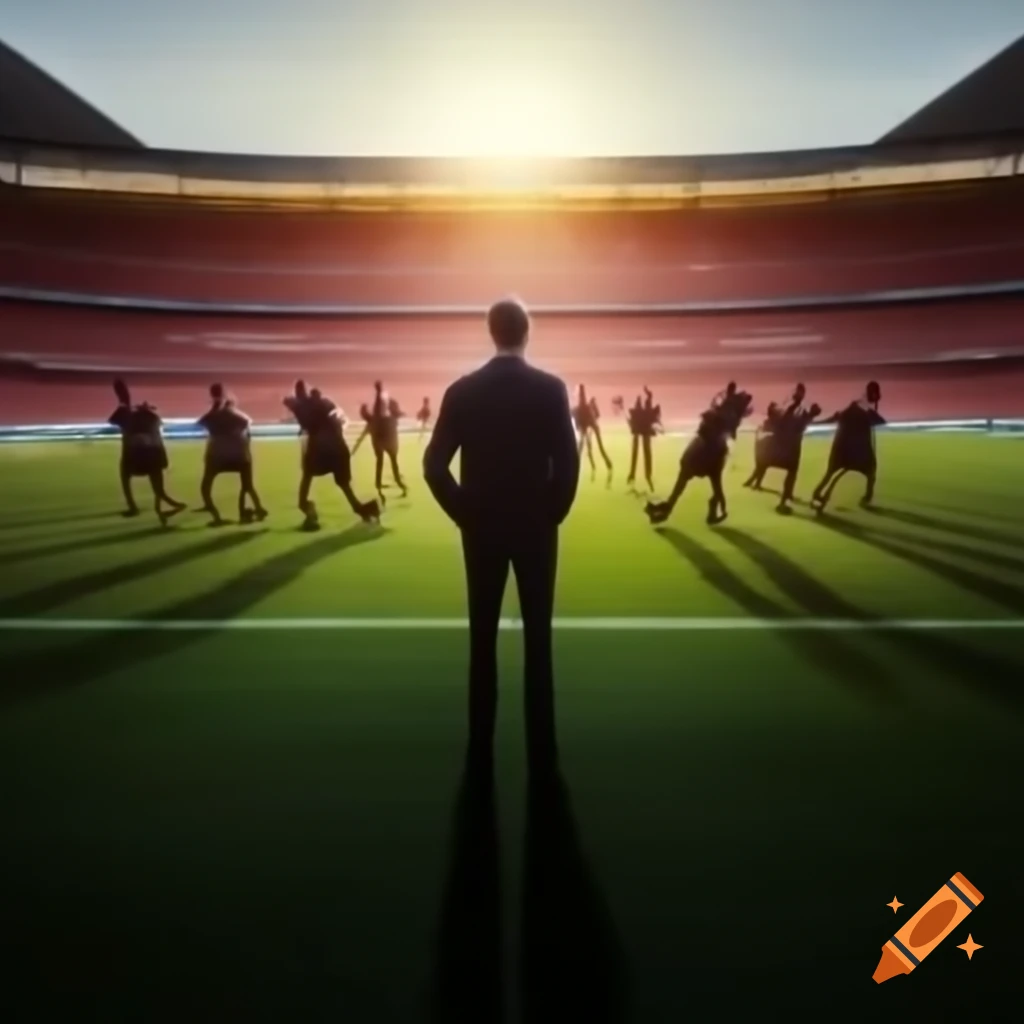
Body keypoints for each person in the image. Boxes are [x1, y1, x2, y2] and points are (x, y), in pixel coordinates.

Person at [424, 298, 580, 776]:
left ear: (491, 332)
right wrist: (552, 512)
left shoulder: (463, 391)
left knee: (482, 638)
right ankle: (541, 742)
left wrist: (464, 513)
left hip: (483, 529)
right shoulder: (551, 389)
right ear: (526, 332)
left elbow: (434, 466)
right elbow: (569, 462)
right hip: (536, 528)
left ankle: (480, 742)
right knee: (538, 639)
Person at [283, 381, 380, 530]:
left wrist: (295, 405)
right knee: (343, 485)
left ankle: (309, 512)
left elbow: (303, 418)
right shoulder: (325, 403)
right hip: (338, 448)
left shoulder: (302, 407)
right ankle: (365, 510)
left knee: (307, 478)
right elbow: (339, 419)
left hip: (320, 449)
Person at [108, 378, 186, 525]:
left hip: (134, 460)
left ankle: (133, 507)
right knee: (159, 490)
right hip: (154, 459)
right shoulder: (153, 419)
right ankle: (162, 509)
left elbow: (113, 420)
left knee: (125, 477)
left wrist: (124, 404)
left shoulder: (129, 417)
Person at [197, 383, 267, 526]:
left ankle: (216, 517)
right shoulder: (237, 416)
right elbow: (247, 426)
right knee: (248, 485)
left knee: (205, 486)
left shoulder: (213, 415)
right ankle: (257, 509)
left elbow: (201, 422)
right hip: (239, 454)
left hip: (217, 455)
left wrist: (215, 409)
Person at [811, 381, 886, 512]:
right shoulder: (862, 408)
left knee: (833, 472)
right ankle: (867, 497)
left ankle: (817, 493)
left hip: (846, 447)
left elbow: (839, 417)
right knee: (870, 471)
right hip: (855, 449)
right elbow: (880, 421)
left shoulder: (860, 406)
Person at [572, 384, 612, 479]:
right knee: (584, 446)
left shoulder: (579, 409)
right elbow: (596, 416)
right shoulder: (581, 408)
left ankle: (576, 468)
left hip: (588, 425)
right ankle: (606, 463)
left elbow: (595, 416)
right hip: (587, 425)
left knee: (582, 447)